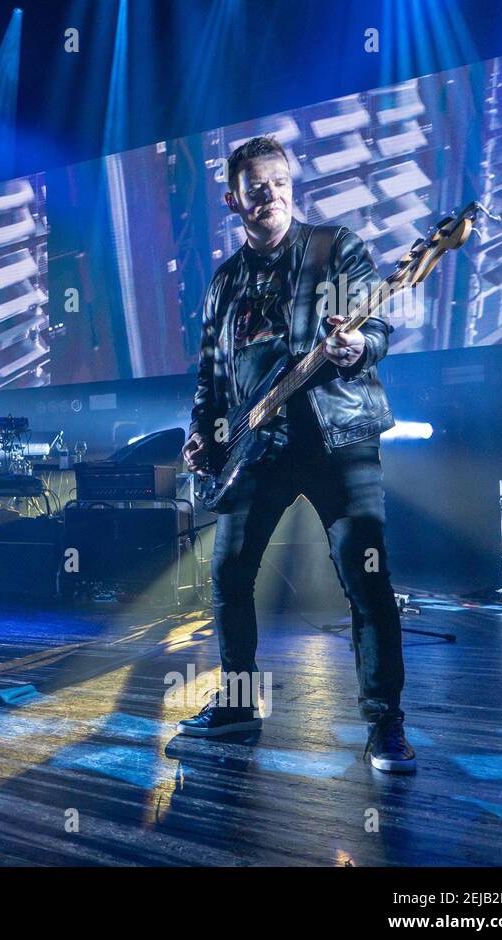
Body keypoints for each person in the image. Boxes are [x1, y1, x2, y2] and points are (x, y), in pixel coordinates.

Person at [179, 136, 414, 773]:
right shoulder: (225, 282)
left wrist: (355, 348)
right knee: (228, 574)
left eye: (279, 185)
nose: (270, 198)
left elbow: (374, 329)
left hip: (337, 440)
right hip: (256, 448)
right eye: (255, 190)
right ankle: (238, 704)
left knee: (365, 580)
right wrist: (200, 432)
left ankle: (384, 724)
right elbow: (210, 374)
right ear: (234, 199)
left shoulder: (332, 249)